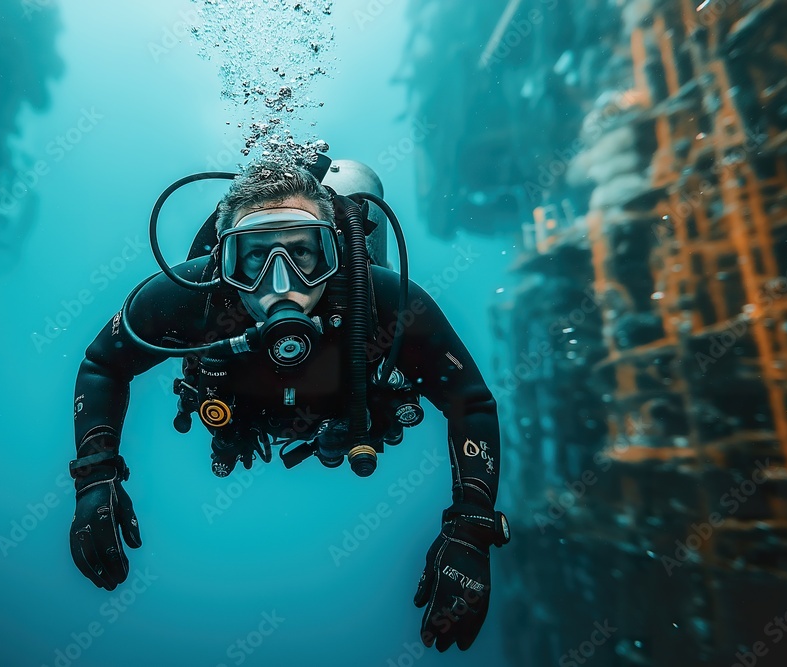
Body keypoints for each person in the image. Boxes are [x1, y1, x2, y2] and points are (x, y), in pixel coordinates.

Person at [67, 155, 510, 652]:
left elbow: (469, 399)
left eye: (304, 254)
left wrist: (471, 528)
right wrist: (95, 476)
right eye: (254, 258)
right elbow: (104, 364)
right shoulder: (191, 295)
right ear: (222, 261)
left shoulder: (383, 300)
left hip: (344, 420)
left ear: (335, 251)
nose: (282, 283)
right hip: (243, 418)